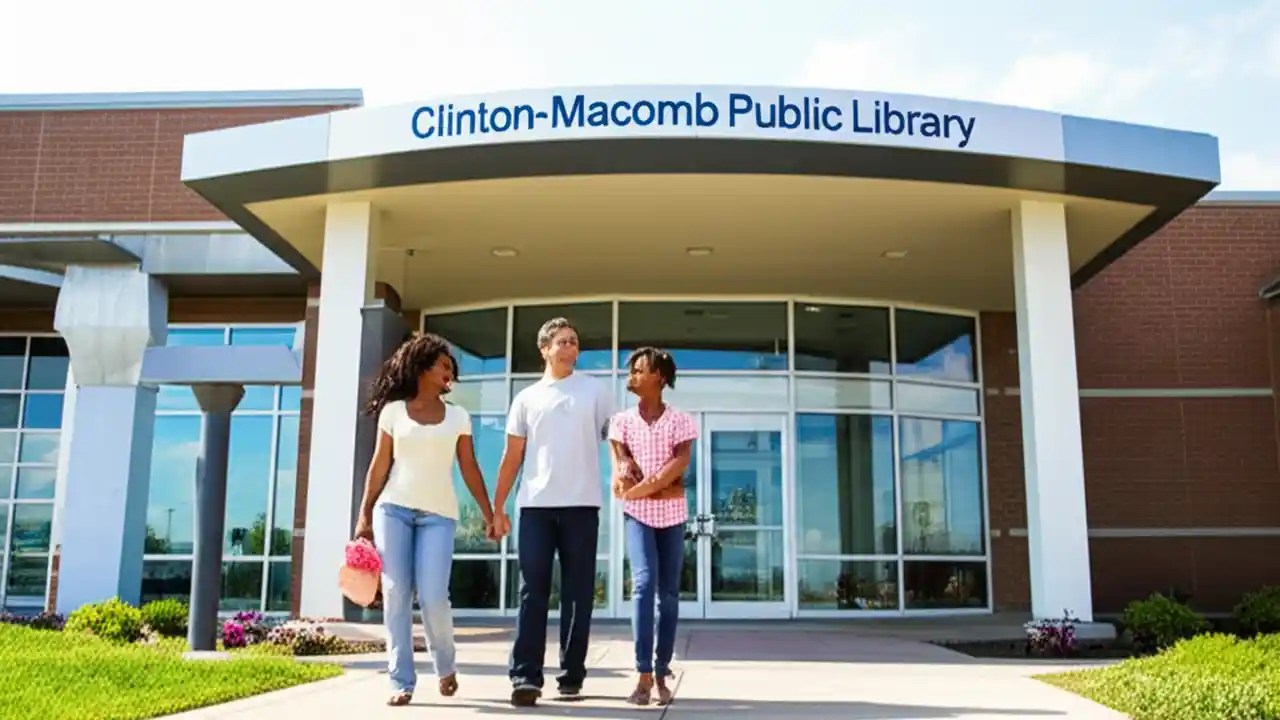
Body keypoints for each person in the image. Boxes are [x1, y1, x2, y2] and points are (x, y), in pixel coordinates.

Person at [353, 332, 495, 707]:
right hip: (393, 509)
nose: (450, 374)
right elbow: (379, 465)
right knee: (396, 594)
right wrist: (364, 513)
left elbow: (469, 467)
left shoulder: (459, 417)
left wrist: (488, 512)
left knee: (433, 596)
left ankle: (445, 665)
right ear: (423, 367)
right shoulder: (393, 412)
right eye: (444, 366)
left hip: (438, 516)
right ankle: (401, 680)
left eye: (452, 369)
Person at [491, 317, 614, 707]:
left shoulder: (594, 391)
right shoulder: (527, 398)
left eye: (575, 342)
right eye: (562, 341)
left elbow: (614, 440)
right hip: (536, 508)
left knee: (578, 594)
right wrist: (497, 506)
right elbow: (512, 458)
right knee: (533, 592)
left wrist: (626, 473)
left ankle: (571, 676)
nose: (570, 347)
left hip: (582, 506)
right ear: (544, 349)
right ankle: (525, 676)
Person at [609, 347, 697, 707]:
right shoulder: (621, 422)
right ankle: (643, 673)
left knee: (670, 594)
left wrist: (642, 489)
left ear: (658, 377)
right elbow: (619, 465)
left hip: (672, 515)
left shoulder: (681, 421)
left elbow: (678, 467)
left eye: (639, 370)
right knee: (643, 584)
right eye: (631, 370)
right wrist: (626, 474)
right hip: (639, 516)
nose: (631, 375)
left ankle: (663, 670)